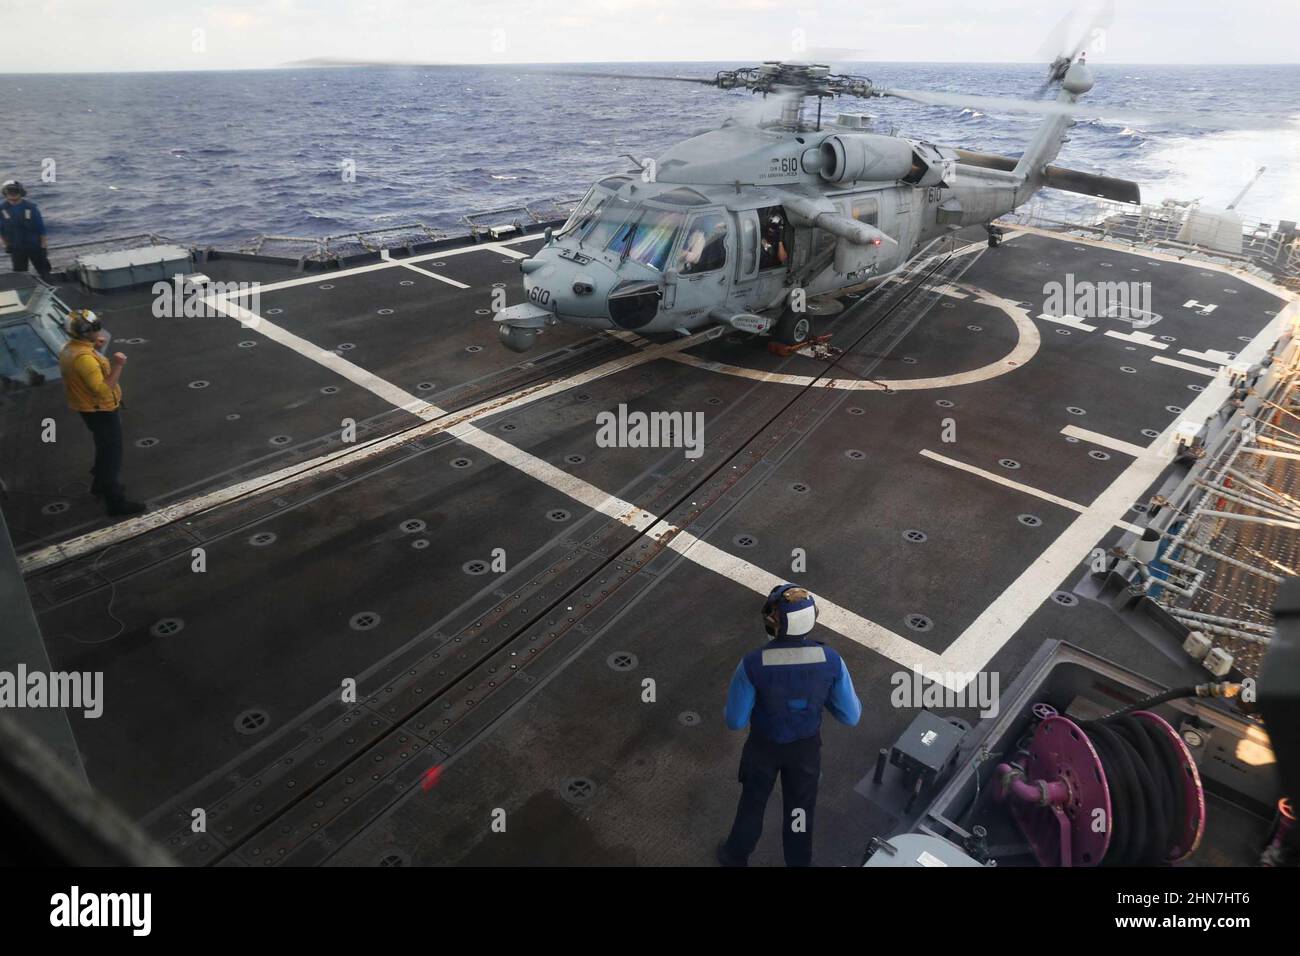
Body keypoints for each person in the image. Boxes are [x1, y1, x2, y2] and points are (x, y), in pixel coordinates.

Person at [718, 584, 861, 867]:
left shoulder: (751, 664)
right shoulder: (831, 660)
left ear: (775, 623)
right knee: (800, 812)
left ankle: (734, 856)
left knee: (752, 805)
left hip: (763, 748)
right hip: (805, 751)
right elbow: (851, 716)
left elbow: (734, 721)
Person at [58, 309, 144, 517]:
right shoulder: (84, 359)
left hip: (89, 409)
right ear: (89, 331)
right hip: (101, 410)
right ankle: (115, 503)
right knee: (111, 457)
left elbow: (85, 367)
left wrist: (94, 347)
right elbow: (103, 389)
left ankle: (100, 485)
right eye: (95, 328)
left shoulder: (70, 349)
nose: (99, 330)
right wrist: (119, 365)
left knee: (104, 447)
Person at [1, 180, 52, 279]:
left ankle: (50, 286)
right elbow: (1, 230)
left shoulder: (30, 207)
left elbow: (41, 228)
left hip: (35, 246)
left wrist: (43, 247)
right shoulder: (1, 209)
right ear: (5, 193)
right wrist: (5, 244)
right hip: (16, 247)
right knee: (20, 275)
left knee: (44, 271)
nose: (12, 193)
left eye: (15, 190)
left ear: (21, 192)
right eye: (9, 191)